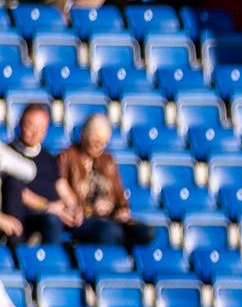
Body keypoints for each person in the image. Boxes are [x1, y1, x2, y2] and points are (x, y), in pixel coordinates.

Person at [61, 114, 153, 247]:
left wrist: (122, 210)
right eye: (96, 142)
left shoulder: (108, 160)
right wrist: (91, 208)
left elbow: (118, 192)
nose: (100, 147)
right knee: (111, 231)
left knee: (146, 232)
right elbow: (62, 193)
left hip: (110, 217)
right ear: (84, 136)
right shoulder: (67, 157)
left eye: (103, 143)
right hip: (84, 218)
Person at [1, 105, 78, 243]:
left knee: (106, 229)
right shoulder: (7, 156)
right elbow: (16, 190)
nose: (35, 133)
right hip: (30, 217)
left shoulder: (49, 158)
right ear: (20, 124)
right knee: (52, 221)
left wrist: (75, 209)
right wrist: (47, 206)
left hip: (56, 212)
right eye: (30, 126)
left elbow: (63, 189)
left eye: (41, 128)